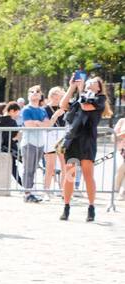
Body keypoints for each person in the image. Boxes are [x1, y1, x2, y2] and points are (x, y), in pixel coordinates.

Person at [57, 75, 111, 222]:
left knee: (88, 175)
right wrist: (72, 87)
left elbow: (86, 105)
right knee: (70, 174)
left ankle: (91, 207)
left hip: (87, 140)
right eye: (88, 81)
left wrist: (81, 90)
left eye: (94, 82)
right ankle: (66, 206)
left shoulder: (100, 99)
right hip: (73, 140)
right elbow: (63, 105)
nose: (89, 83)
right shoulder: (79, 97)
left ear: (99, 87)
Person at [19, 90, 50, 202]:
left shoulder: (42, 110)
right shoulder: (26, 109)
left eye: (37, 92)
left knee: (34, 169)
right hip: (29, 143)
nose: (35, 93)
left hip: (40, 143)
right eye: (32, 92)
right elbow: (29, 125)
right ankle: (27, 193)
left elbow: (48, 124)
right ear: (28, 95)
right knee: (28, 168)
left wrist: (37, 123)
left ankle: (30, 191)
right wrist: (38, 123)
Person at [0, 101, 23, 188]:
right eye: (16, 113)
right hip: (10, 148)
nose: (17, 115)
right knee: (14, 168)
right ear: (12, 111)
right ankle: (23, 184)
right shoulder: (12, 122)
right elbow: (16, 135)